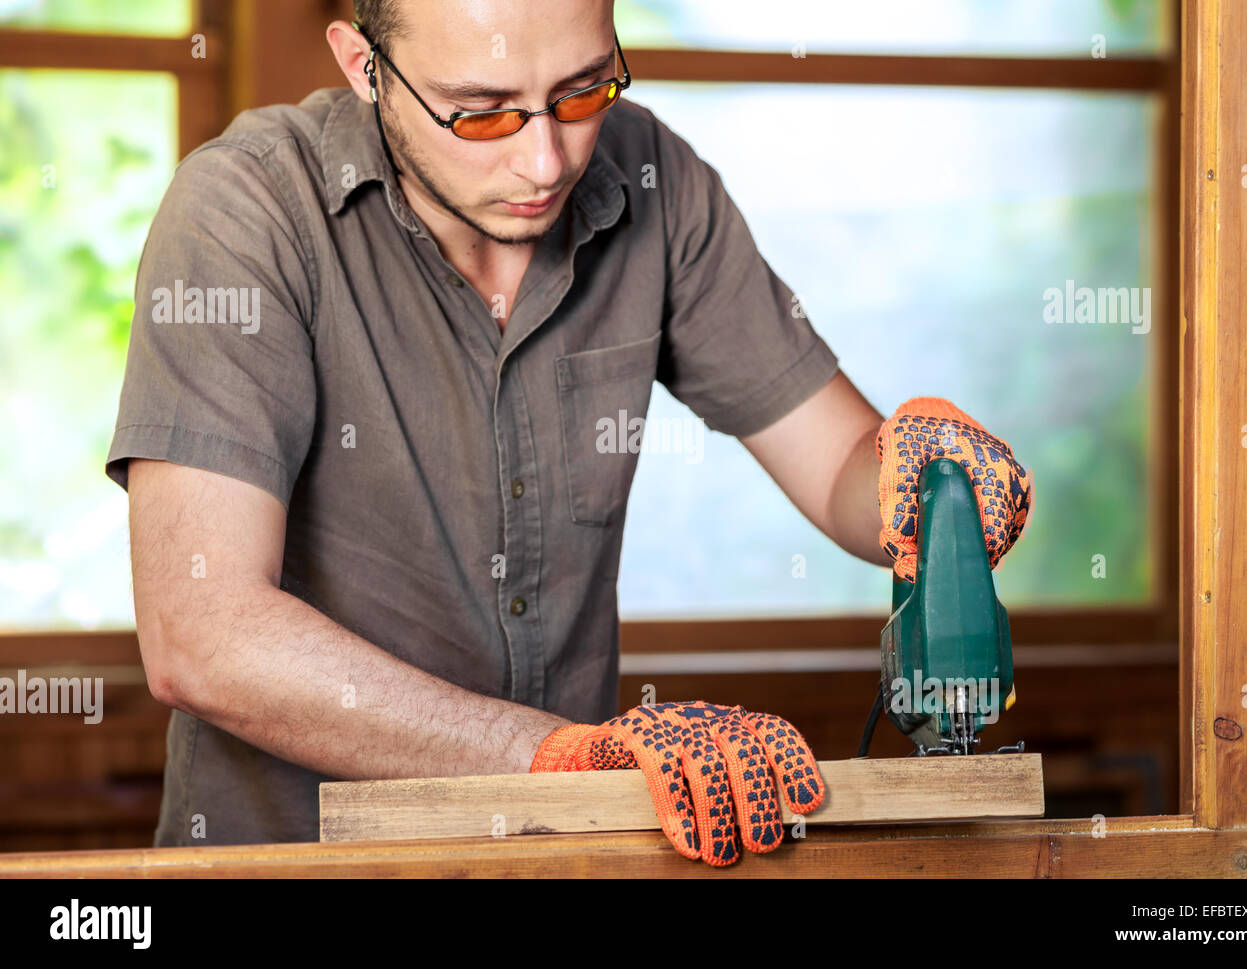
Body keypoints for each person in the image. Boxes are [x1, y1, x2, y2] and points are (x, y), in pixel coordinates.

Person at [106, 0, 1031, 866]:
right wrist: (556, 755)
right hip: (296, 871)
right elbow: (205, 635)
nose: (547, 161)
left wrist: (922, 477)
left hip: (560, 860)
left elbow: (838, 464)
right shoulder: (244, 213)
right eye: (482, 111)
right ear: (365, 66)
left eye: (583, 90)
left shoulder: (656, 184)